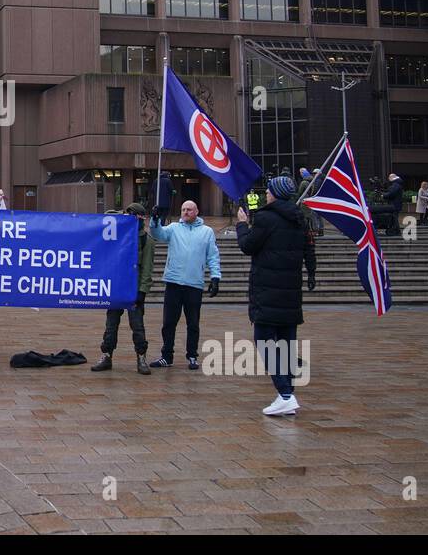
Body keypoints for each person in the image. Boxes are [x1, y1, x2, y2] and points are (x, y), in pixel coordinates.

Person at [235, 175, 317, 417]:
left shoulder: (265, 218)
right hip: (290, 292)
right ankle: (288, 394)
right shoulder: (299, 218)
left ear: (275, 193)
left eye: (269, 191)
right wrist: (311, 273)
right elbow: (309, 250)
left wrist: (242, 225)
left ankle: (285, 394)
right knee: (287, 345)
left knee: (265, 341)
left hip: (267, 291)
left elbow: (248, 246)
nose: (266, 194)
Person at [149, 199, 220, 370]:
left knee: (193, 323)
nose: (185, 212)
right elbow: (158, 234)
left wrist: (215, 276)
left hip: (194, 284)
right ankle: (167, 356)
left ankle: (192, 356)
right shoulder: (173, 228)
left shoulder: (207, 232)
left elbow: (212, 255)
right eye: (183, 209)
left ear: (197, 211)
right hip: (173, 282)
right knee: (168, 323)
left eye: (189, 209)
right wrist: (155, 219)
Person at [92, 203, 153, 375]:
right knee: (111, 324)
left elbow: (147, 268)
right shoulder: (118, 233)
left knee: (137, 326)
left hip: (134, 288)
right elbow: (106, 215)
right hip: (117, 286)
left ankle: (141, 357)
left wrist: (142, 291)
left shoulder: (146, 240)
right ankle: (106, 355)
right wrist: (123, 215)